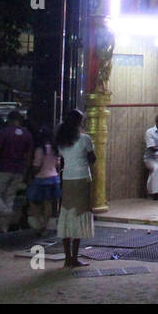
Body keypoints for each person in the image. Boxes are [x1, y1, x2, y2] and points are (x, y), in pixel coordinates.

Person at [55, 109, 96, 268]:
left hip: (67, 178)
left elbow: (62, 158)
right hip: (82, 179)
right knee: (80, 215)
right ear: (80, 122)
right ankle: (75, 256)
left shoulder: (62, 140)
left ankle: (67, 257)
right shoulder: (85, 139)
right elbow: (92, 159)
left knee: (66, 213)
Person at [0, 110, 33, 232]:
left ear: (9, 120)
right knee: (9, 198)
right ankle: (4, 228)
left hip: (3, 168)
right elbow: (28, 156)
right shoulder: (27, 134)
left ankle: (7, 213)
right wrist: (27, 171)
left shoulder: (4, 133)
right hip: (19, 169)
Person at [26, 125, 62, 233]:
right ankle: (45, 225)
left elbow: (37, 165)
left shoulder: (40, 149)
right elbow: (58, 164)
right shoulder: (55, 149)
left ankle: (39, 222)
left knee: (32, 200)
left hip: (41, 179)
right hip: (54, 178)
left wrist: (31, 174)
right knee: (48, 203)